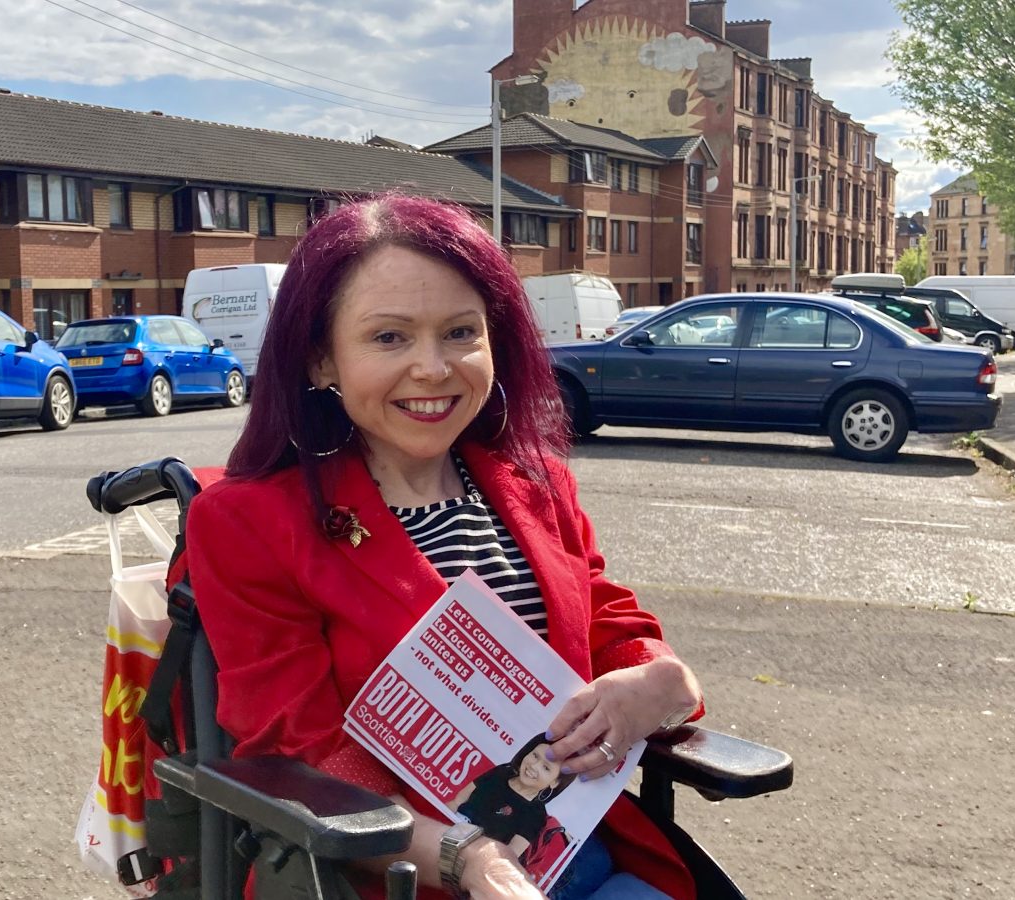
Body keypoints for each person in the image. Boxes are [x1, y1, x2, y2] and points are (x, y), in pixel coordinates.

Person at [185, 194, 705, 900]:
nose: (432, 368)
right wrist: (471, 859)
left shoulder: (536, 486)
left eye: (461, 331)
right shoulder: (250, 523)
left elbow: (616, 633)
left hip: (576, 854)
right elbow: (302, 759)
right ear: (319, 361)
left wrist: (660, 684)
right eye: (389, 338)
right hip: (394, 873)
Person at [450, 735, 575, 857]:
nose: (534, 766)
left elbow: (509, 856)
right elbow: (457, 801)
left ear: (555, 782)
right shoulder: (502, 772)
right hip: (447, 830)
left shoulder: (536, 814)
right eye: (535, 755)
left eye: (546, 768)